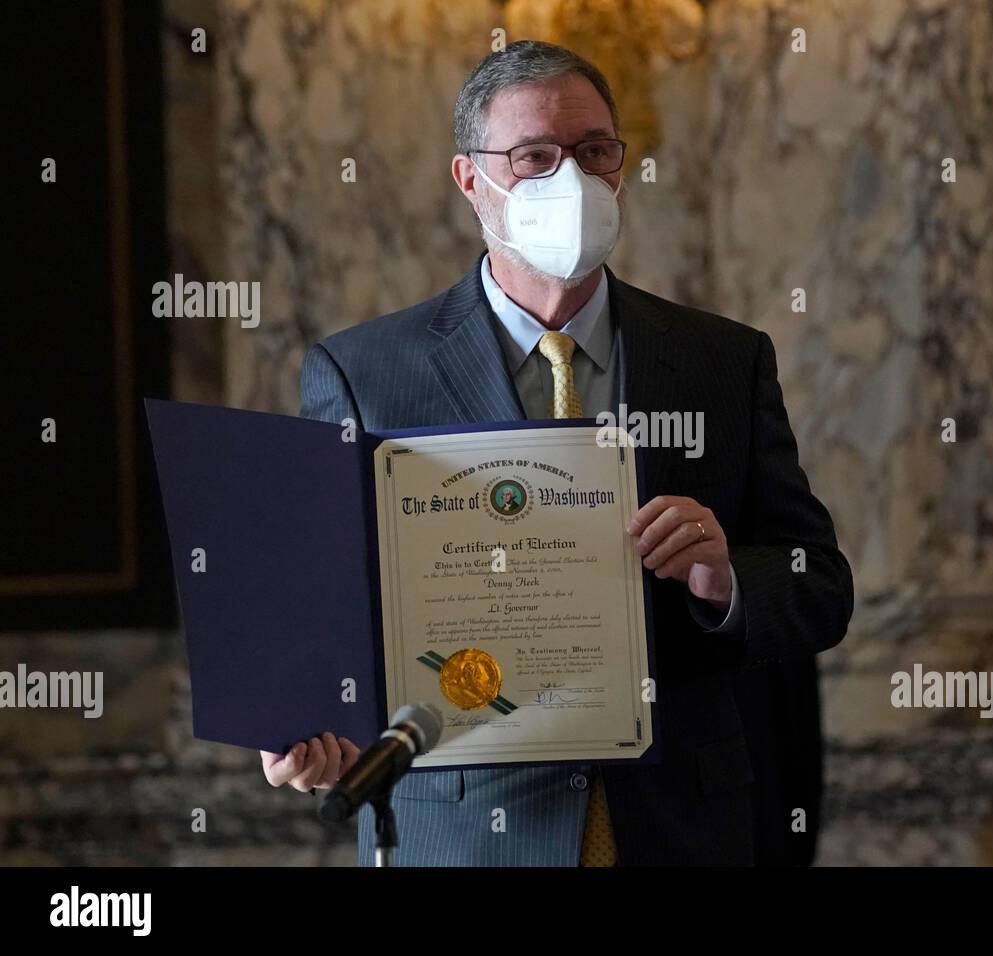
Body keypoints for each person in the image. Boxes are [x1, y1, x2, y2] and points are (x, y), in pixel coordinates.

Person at [260, 40, 853, 866]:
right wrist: (304, 723)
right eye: (535, 156)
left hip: (680, 828)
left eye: (594, 151)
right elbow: (318, 611)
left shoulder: (722, 360)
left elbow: (818, 585)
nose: (569, 180)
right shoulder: (365, 374)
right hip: (463, 837)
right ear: (472, 181)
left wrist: (726, 583)